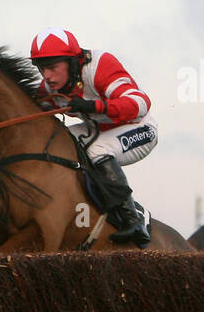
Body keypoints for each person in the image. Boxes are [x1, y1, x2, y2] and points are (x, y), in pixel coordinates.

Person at [29, 27, 156, 245]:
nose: (47, 77)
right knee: (58, 141)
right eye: (42, 69)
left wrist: (94, 106)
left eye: (52, 68)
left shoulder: (100, 66)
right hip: (100, 130)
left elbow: (141, 104)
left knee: (97, 149)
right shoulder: (49, 88)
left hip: (139, 128)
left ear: (71, 62)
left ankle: (132, 217)